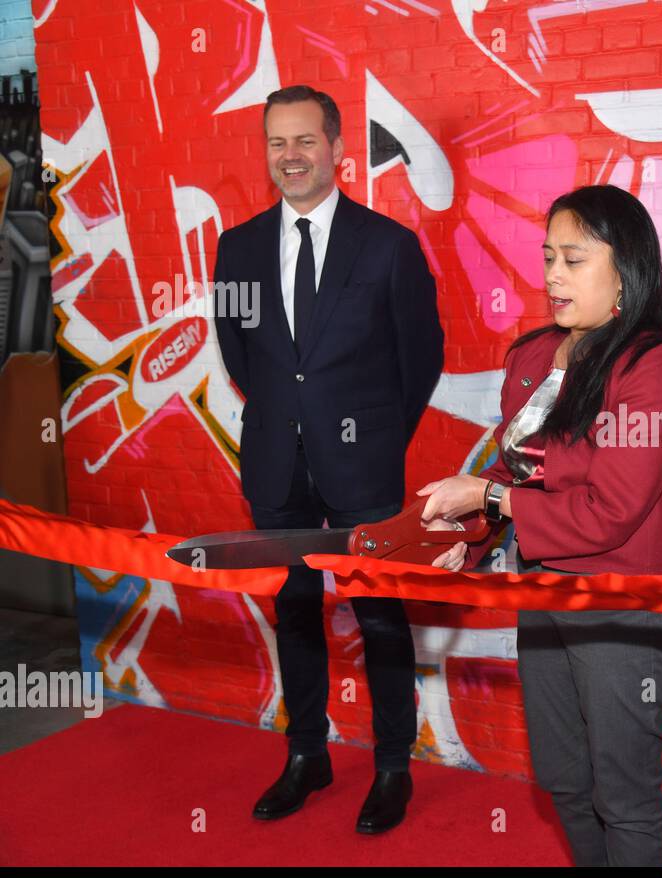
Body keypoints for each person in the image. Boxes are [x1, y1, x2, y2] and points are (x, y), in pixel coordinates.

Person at [417, 184, 662, 866]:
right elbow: (516, 473)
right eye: (548, 258)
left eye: (574, 259)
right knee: (563, 778)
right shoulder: (533, 355)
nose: (552, 276)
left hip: (623, 603)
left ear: (625, 270)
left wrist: (489, 496)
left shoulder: (655, 365)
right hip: (543, 591)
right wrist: (466, 539)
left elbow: (610, 511)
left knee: (623, 793)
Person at [212, 85, 443, 834]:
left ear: (338, 150)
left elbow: (421, 358)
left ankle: (393, 765)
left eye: (305, 141)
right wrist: (287, 418)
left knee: (380, 616)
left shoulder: (387, 245)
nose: (291, 156)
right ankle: (306, 755)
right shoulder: (238, 248)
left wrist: (373, 436)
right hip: (275, 462)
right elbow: (241, 355)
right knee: (295, 612)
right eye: (277, 142)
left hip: (363, 465)